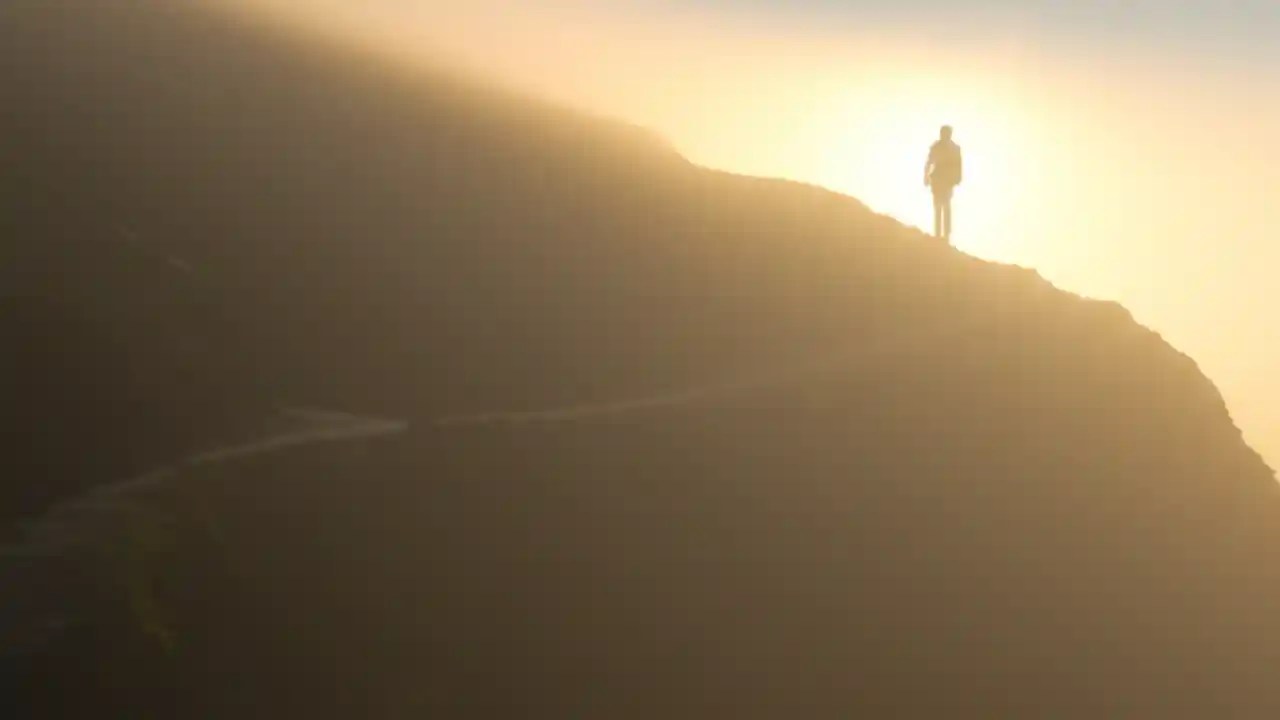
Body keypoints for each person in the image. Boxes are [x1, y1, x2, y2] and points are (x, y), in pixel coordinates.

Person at [924, 125, 963, 242]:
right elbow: (929, 162)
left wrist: (958, 178)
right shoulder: (937, 146)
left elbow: (958, 165)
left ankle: (945, 236)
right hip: (938, 179)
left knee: (945, 207)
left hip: (947, 181)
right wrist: (926, 176)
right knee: (939, 207)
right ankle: (938, 234)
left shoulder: (954, 148)